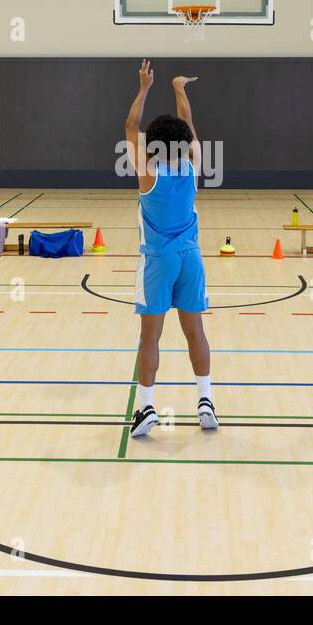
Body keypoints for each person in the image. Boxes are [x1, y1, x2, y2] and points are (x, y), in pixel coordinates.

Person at [123, 59, 216, 438]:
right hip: (190, 259)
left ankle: (146, 408)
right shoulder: (193, 167)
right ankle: (206, 401)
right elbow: (189, 128)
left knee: (151, 337)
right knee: (195, 332)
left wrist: (145, 87)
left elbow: (131, 127)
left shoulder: (148, 173)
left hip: (158, 262)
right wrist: (179, 90)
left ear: (152, 144)